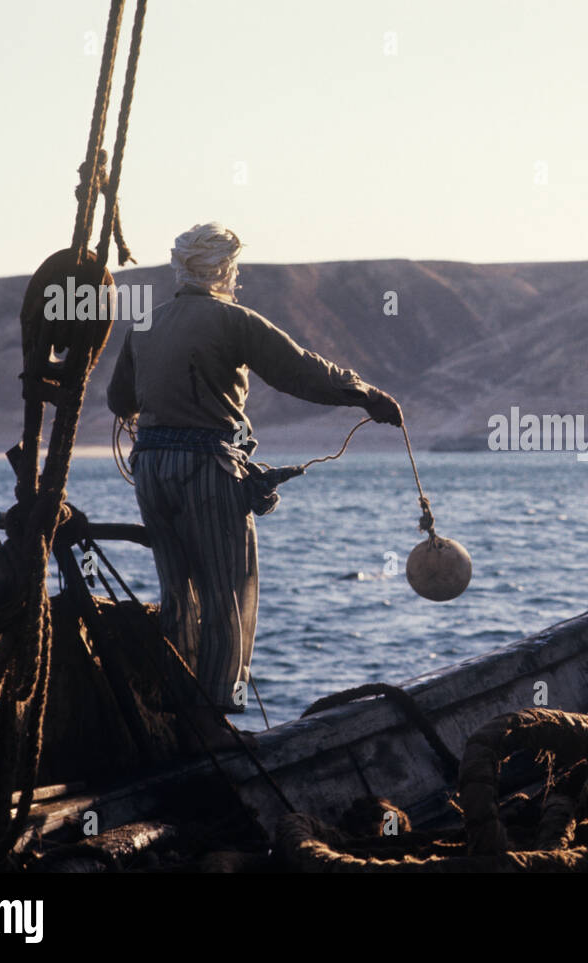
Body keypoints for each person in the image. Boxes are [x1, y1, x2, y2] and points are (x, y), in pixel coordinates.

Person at [106, 222, 403, 749]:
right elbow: (298, 371)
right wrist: (366, 395)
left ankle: (175, 716)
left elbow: (118, 400)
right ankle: (212, 722)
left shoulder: (145, 324)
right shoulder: (233, 320)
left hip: (150, 470)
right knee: (226, 593)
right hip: (207, 468)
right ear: (225, 268)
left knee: (179, 593)